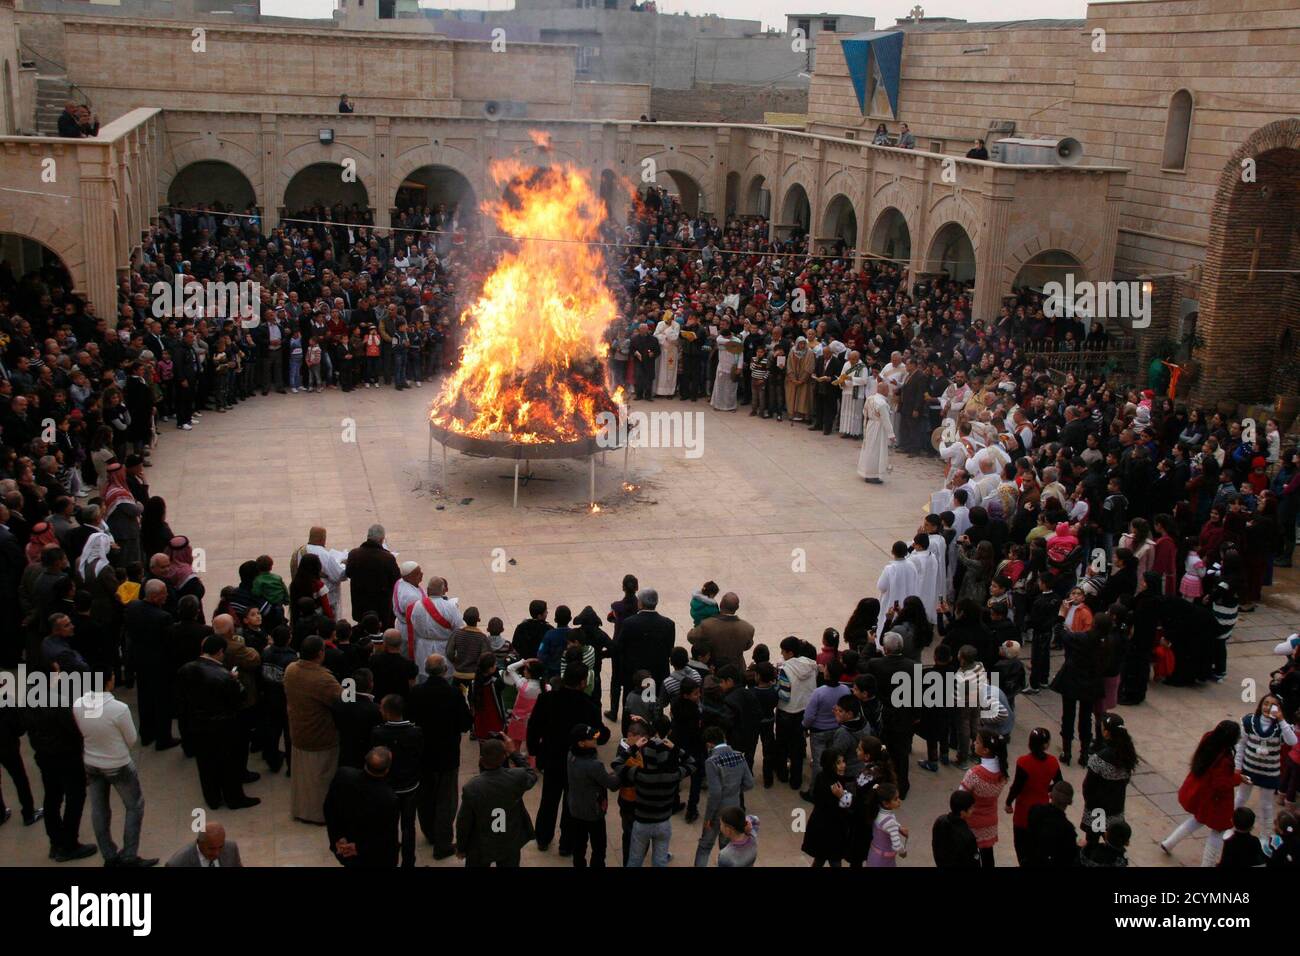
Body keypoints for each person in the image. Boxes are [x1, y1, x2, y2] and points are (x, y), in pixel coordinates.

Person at [72, 671, 158, 867]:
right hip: (118, 764)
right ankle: (129, 856)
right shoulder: (118, 708)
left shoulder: (78, 704)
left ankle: (109, 855)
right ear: (109, 682)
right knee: (134, 806)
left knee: (99, 809)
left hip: (92, 763)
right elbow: (132, 738)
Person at [527, 663, 607, 854]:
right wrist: (600, 735)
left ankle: (543, 838)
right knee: (571, 803)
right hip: (577, 763)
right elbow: (599, 734)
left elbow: (533, 727)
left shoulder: (546, 699)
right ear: (582, 683)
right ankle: (566, 844)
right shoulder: (589, 706)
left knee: (548, 800)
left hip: (551, 758)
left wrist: (535, 751)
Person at [176, 634, 260, 811]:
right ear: (220, 652)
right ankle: (234, 798)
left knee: (205, 763)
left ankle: (212, 797)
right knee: (229, 763)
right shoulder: (224, 676)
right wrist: (236, 681)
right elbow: (239, 698)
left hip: (198, 724)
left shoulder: (186, 668)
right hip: (224, 725)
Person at [406, 654, 472, 860]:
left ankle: (429, 832)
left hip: (423, 753)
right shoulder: (454, 694)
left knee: (425, 796)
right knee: (446, 800)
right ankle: (442, 842)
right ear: (445, 670)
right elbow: (465, 724)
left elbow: (408, 720)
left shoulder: (415, 692)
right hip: (447, 754)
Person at [1161, 720, 1243, 866]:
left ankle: (1169, 843)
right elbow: (1222, 783)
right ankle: (1207, 864)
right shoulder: (1224, 759)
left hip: (1203, 793)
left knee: (1197, 819)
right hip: (1217, 800)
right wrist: (1239, 778)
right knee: (1218, 830)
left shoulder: (1208, 739)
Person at [615, 724, 694, 867]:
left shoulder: (640, 774)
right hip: (663, 822)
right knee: (660, 861)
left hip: (642, 822)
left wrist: (633, 747)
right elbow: (692, 763)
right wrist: (675, 748)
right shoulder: (673, 775)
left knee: (634, 860)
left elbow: (617, 764)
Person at [284, 636, 343, 824]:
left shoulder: (291, 669)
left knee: (302, 778)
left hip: (298, 728)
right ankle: (318, 814)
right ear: (320, 653)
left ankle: (301, 809)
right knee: (321, 778)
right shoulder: (322, 678)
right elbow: (342, 699)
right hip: (320, 733)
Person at [456, 737, 538, 867]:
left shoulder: (472, 787)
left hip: (481, 845)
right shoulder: (517, 777)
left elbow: (463, 822)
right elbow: (531, 774)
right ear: (505, 757)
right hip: (510, 841)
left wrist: (461, 847)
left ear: (481, 760)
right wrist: (514, 753)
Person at [370, 693, 424, 868]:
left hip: (387, 788)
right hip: (410, 786)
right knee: (408, 827)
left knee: (388, 827)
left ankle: (390, 860)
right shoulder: (415, 732)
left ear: (386, 712)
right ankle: (409, 862)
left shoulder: (378, 733)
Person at [324, 746, 400, 868]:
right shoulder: (388, 799)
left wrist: (338, 837)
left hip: (344, 848)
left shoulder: (343, 775)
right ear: (387, 770)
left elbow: (329, 808)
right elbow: (385, 836)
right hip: (371, 857)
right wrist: (358, 848)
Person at [1235, 694, 1296, 839]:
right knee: (1240, 798)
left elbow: (1292, 741)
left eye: (1272, 705)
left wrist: (1281, 720)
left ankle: (1265, 835)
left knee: (1266, 805)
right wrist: (1237, 767)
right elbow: (1241, 745)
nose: (1267, 707)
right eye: (1265, 703)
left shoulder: (1281, 727)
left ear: (1279, 708)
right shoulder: (1249, 721)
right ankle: (1232, 825)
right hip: (1249, 769)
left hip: (1269, 772)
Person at [694, 724, 754, 866]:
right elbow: (749, 783)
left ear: (709, 744)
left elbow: (715, 793)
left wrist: (708, 817)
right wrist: (734, 792)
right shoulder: (739, 756)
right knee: (727, 847)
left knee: (705, 846)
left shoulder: (711, 762)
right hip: (734, 809)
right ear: (724, 738)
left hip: (717, 812)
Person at [565, 723, 621, 868]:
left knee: (579, 847)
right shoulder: (593, 766)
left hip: (575, 809)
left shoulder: (571, 755)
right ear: (581, 743)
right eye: (592, 738)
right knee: (599, 848)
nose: (596, 739)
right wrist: (621, 770)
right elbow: (612, 784)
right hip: (594, 813)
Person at [1080, 712, 1139, 847]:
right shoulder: (1128, 754)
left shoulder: (1100, 757)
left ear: (1106, 733)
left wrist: (1089, 803)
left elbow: (1088, 786)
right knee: (1114, 843)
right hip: (1116, 808)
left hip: (1098, 810)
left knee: (1092, 844)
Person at [1005, 727, 1062, 864]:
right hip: (1043, 810)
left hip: (1023, 812)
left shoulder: (1023, 762)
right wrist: (1045, 788)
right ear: (1046, 744)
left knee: (1021, 848)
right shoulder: (1053, 762)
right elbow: (1059, 783)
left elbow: (1017, 787)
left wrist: (1008, 802)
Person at [960, 729, 1009, 867]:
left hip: (972, 821)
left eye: (978, 741)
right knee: (988, 856)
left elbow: (960, 797)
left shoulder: (974, 774)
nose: (974, 743)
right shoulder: (1002, 773)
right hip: (990, 821)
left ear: (986, 750)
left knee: (971, 857)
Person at [802, 749, 853, 867]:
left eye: (843, 761)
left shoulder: (822, 776)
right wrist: (841, 796)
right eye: (838, 763)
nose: (843, 765)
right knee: (834, 860)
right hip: (831, 831)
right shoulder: (835, 785)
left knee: (820, 859)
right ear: (830, 764)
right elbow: (840, 807)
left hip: (822, 828)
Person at [345, 525, 400, 627]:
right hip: (381, 607)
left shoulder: (354, 554)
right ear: (381, 539)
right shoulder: (388, 558)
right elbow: (396, 581)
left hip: (360, 604)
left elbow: (348, 573)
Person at [686, 591, 754, 672]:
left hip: (713, 670)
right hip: (737, 670)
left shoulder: (707, 625)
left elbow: (691, 637)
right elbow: (747, 646)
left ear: (720, 605)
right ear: (737, 607)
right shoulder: (748, 628)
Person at [1026, 780, 1079, 867]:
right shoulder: (1068, 830)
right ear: (1069, 802)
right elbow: (1069, 859)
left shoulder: (1034, 811)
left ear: (1050, 795)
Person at [931, 788, 980, 867]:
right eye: (971, 808)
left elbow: (935, 846)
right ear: (963, 812)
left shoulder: (940, 821)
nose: (973, 810)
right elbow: (974, 860)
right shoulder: (967, 835)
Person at [858, 382, 895, 483]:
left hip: (870, 425)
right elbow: (886, 420)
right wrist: (891, 434)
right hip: (879, 429)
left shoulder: (870, 398)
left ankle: (866, 472)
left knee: (869, 449)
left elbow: (864, 412)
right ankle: (873, 475)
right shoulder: (882, 403)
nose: (889, 392)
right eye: (887, 389)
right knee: (876, 451)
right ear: (883, 390)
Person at [165, 822, 243, 868]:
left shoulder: (231, 848)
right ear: (199, 843)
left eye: (221, 847)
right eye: (211, 848)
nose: (217, 853)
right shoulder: (178, 863)